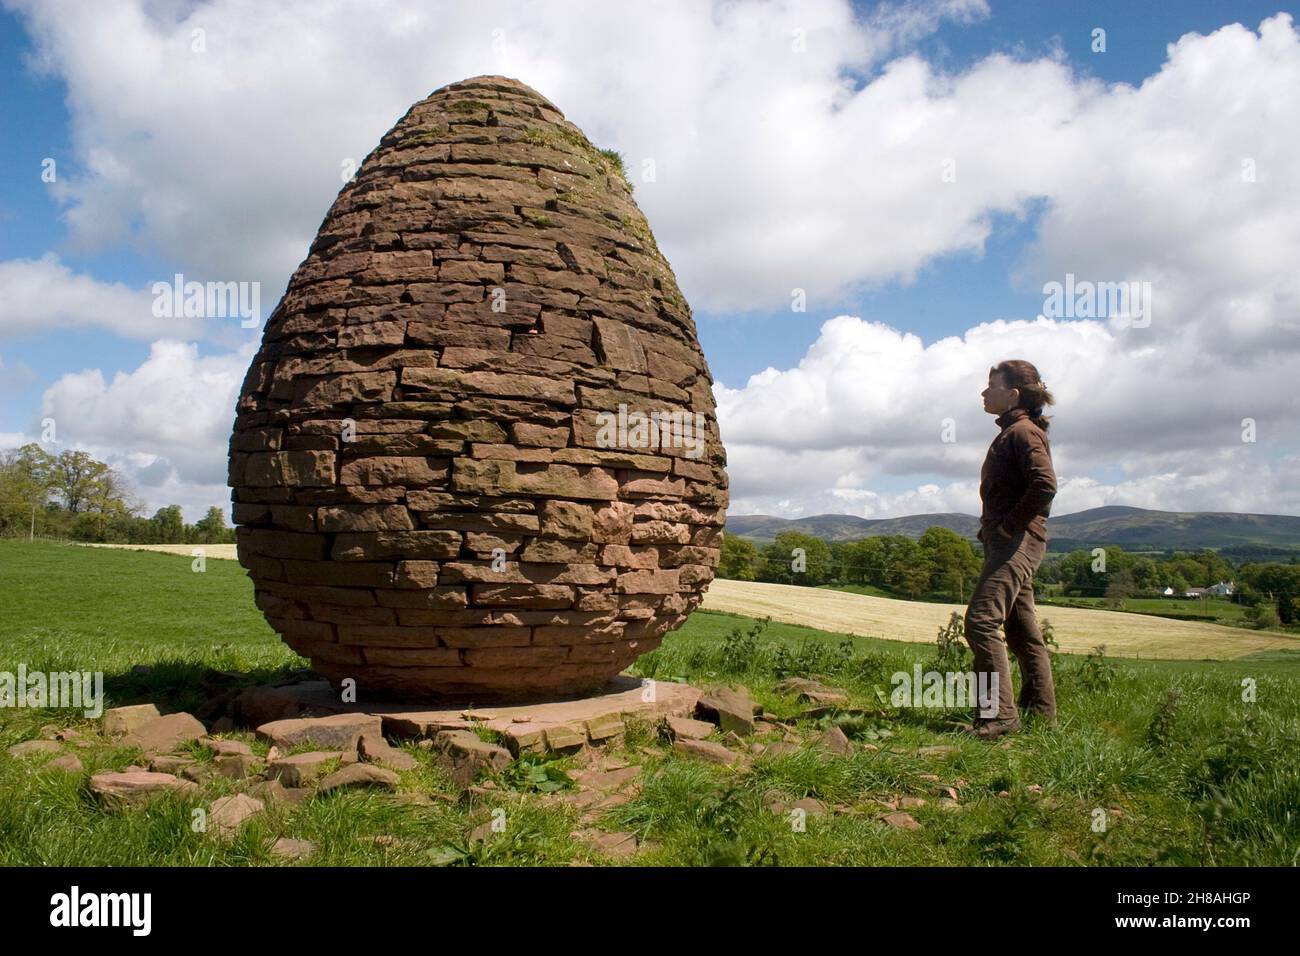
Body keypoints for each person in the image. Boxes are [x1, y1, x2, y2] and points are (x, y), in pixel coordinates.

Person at [963, 360, 1059, 739]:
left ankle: (999, 718)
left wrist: (1007, 526)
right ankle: (1040, 716)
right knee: (1020, 631)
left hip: (1016, 541)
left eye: (991, 386)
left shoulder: (1022, 433)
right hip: (1012, 539)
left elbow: (1045, 485)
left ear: (1012, 394)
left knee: (981, 621)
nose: (984, 393)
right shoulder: (1017, 431)